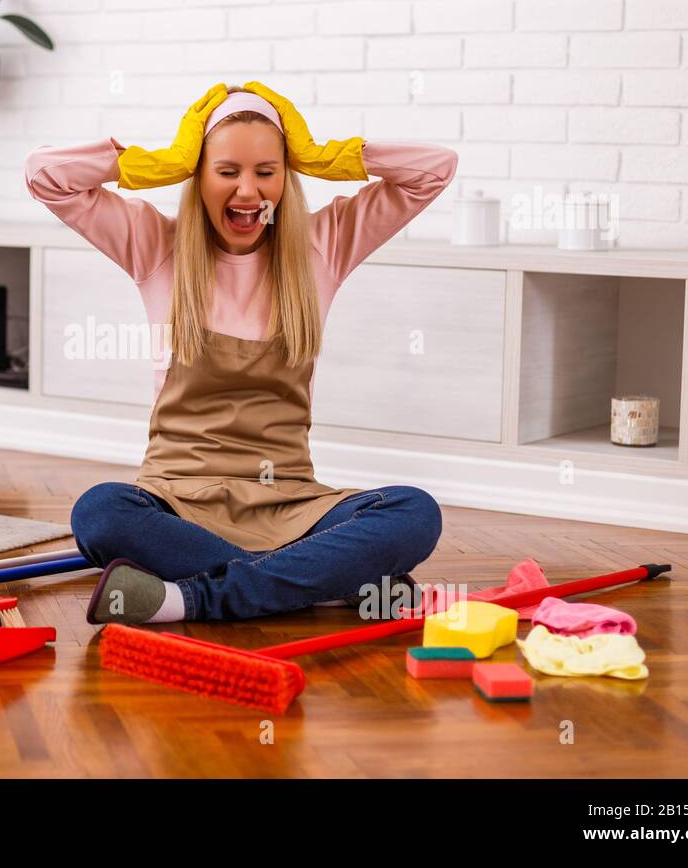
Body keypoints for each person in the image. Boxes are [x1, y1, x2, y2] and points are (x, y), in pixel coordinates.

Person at [23, 81, 458, 624]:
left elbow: (435, 168)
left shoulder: (323, 246)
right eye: (227, 171)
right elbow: (46, 177)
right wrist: (161, 162)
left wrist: (326, 156)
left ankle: (195, 597)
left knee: (415, 513)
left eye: (266, 171)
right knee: (101, 513)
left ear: (287, 175)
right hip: (175, 499)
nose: (248, 191)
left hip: (290, 501)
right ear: (198, 175)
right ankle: (319, 582)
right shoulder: (156, 245)